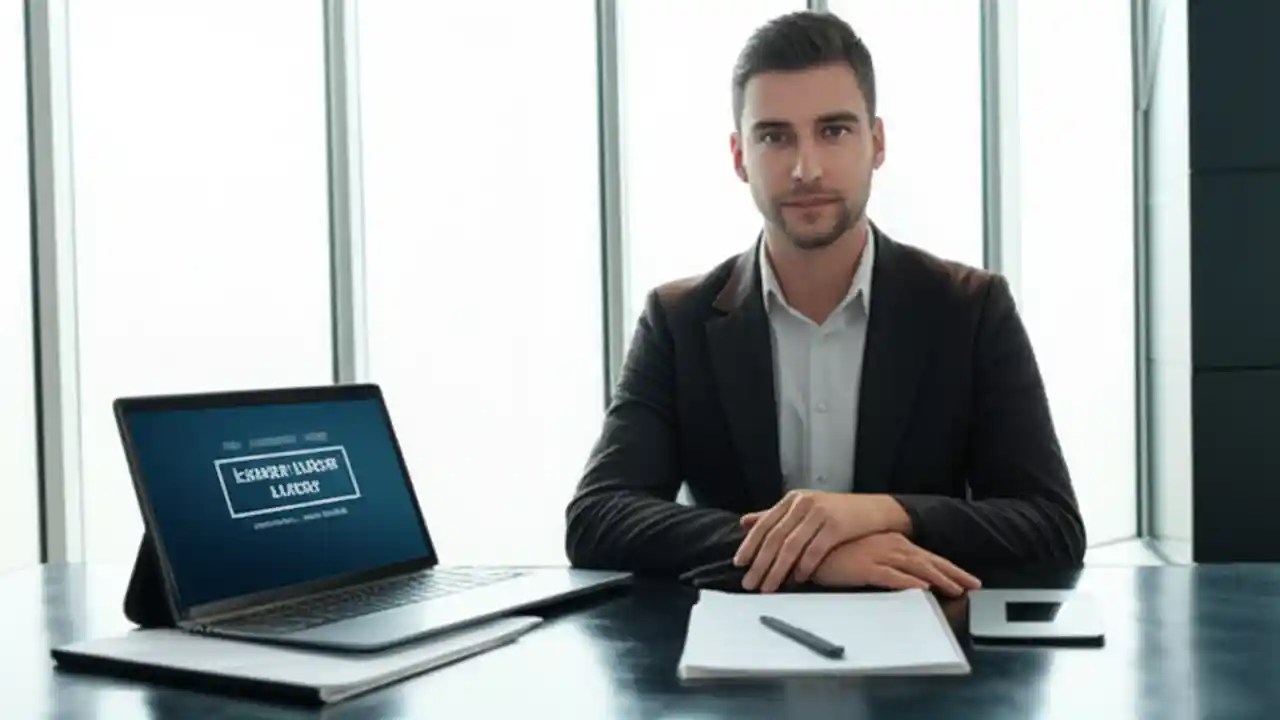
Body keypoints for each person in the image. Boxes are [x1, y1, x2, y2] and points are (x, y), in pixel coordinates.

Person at [565, 11, 1084, 595]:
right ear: (739, 156)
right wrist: (810, 554)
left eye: (833, 130)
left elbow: (1052, 525)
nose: (805, 168)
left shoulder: (970, 308)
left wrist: (882, 513)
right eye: (774, 136)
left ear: (877, 143)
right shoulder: (678, 321)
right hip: (730, 655)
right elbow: (598, 516)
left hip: (924, 652)